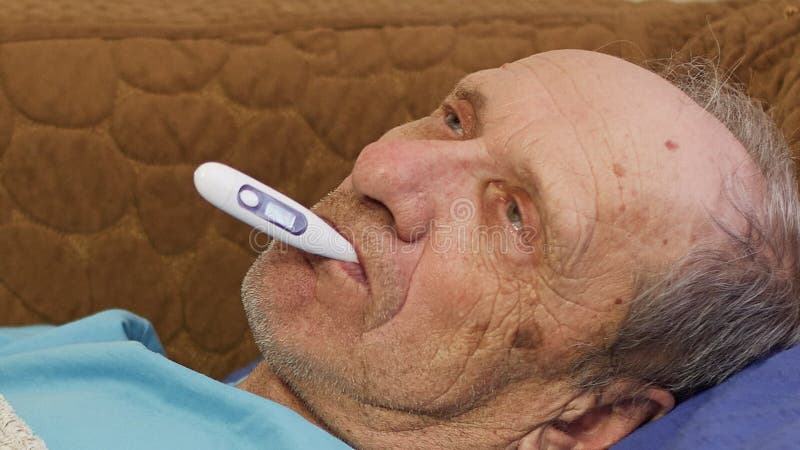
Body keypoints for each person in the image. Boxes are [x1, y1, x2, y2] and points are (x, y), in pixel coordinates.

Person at [1, 49, 798, 450]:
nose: (381, 166)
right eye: (455, 120)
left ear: (587, 421)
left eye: (514, 218)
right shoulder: (105, 351)